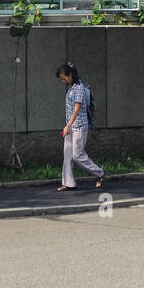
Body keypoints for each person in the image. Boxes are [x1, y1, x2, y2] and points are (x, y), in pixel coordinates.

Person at [54, 62, 105, 191]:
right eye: (61, 79)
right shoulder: (71, 87)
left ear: (70, 75)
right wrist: (68, 126)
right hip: (70, 126)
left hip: (79, 126)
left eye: (63, 78)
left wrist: (68, 125)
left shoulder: (80, 88)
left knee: (77, 155)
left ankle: (99, 173)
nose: (62, 81)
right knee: (68, 156)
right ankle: (69, 183)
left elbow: (77, 109)